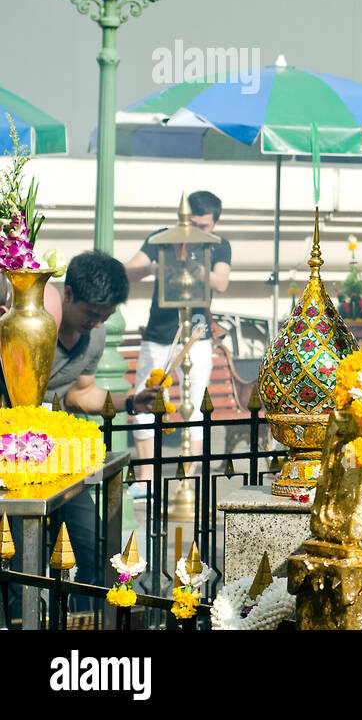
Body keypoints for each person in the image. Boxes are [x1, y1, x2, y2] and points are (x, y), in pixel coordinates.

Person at [1, 251, 129, 619]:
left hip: (54, 458)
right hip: (10, 459)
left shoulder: (95, 338)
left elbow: (80, 394)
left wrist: (133, 400)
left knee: (91, 545)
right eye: (92, 313)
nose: (98, 322)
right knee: (16, 560)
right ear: (67, 295)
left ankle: (83, 624)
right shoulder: (27, 322)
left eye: (106, 316)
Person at [123, 190, 231, 464]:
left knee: (194, 404)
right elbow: (130, 270)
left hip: (196, 333)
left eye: (202, 227)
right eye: (191, 225)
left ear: (214, 224)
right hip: (159, 332)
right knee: (145, 399)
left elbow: (221, 282)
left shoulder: (217, 245)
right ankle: (146, 476)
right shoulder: (163, 239)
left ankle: (188, 477)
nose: (194, 231)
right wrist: (157, 267)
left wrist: (194, 269)